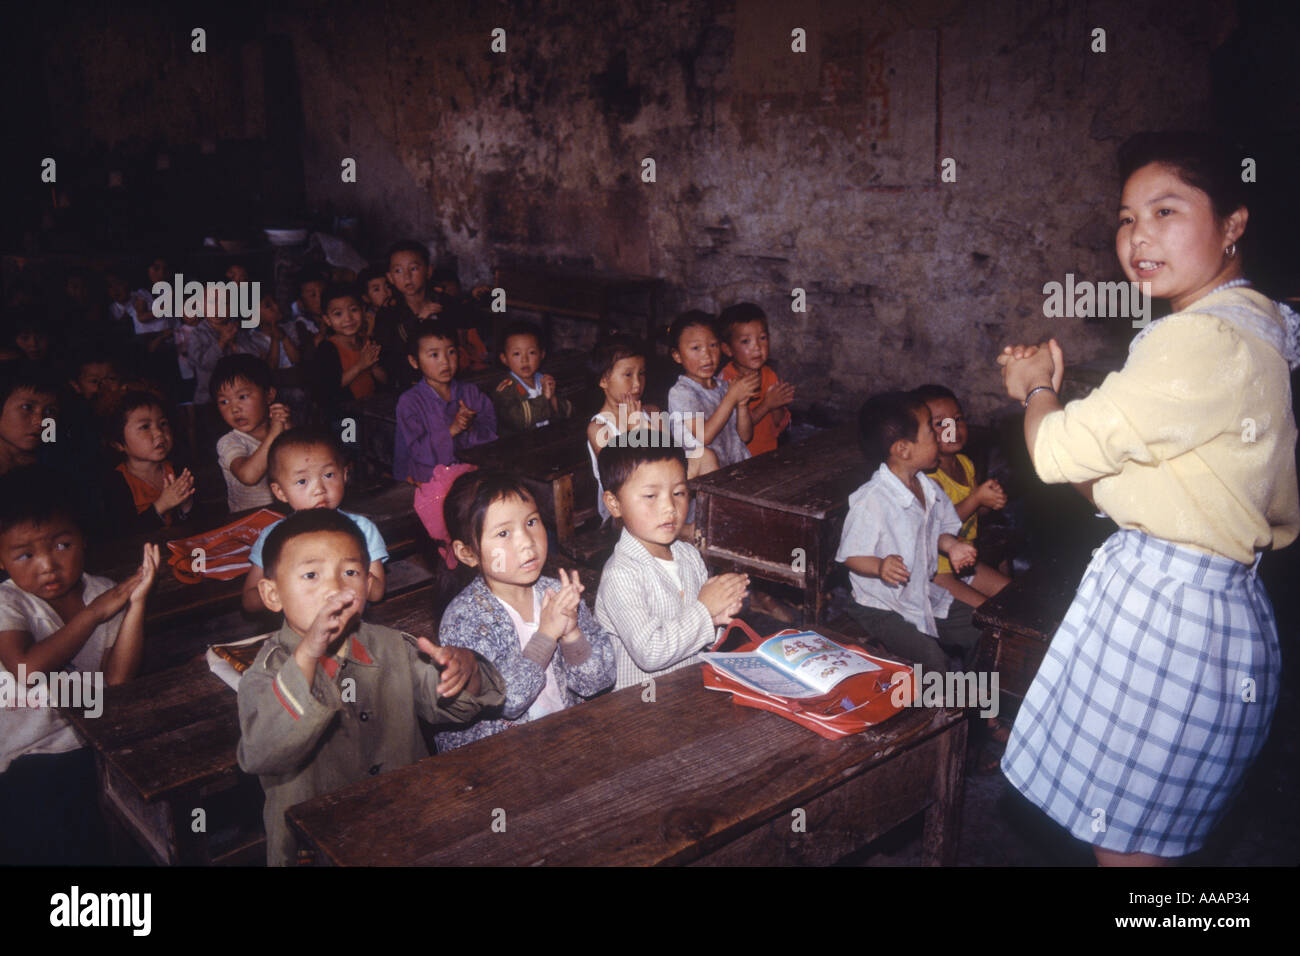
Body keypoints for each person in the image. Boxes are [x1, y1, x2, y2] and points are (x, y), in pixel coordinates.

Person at [997, 131, 1300, 866]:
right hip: (1195, 601)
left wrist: (1036, 388)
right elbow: (1124, 479)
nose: (1139, 237)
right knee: (1132, 847)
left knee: (1132, 862)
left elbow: (1056, 454)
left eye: (1167, 211)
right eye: (1128, 218)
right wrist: (1072, 422)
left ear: (1233, 223)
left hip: (1177, 615)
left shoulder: (1197, 340)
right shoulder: (1254, 323)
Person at [236, 508, 505, 866]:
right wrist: (310, 653)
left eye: (350, 572)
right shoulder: (266, 673)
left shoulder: (392, 646)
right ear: (272, 594)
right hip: (314, 851)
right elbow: (262, 752)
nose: (335, 588)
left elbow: (452, 705)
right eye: (311, 574)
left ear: (367, 584)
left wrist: (464, 669)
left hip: (409, 831)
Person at [0, 467, 160, 864]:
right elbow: (24, 670)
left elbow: (117, 684)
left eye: (62, 545)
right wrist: (93, 615)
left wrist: (135, 604)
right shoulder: (9, 604)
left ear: (83, 538)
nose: (47, 566)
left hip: (92, 741)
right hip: (27, 755)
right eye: (25, 555)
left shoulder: (102, 590)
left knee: (134, 820)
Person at [435, 470, 615, 750]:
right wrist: (546, 634)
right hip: (499, 757)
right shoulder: (465, 618)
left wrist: (571, 634)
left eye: (531, 522)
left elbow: (598, 682)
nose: (526, 541)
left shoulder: (556, 593)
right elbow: (507, 700)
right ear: (468, 553)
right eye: (503, 533)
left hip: (566, 737)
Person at [834, 391, 983, 676]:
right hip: (881, 606)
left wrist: (951, 546)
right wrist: (879, 566)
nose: (939, 438)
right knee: (934, 665)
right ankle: (934, 717)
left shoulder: (927, 488)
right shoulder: (872, 500)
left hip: (921, 592)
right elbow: (850, 555)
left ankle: (977, 713)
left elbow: (936, 530)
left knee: (982, 631)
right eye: (931, 431)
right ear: (903, 449)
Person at [594, 435, 748, 690]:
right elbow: (650, 653)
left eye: (679, 492)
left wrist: (718, 618)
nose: (670, 507)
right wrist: (705, 610)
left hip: (689, 690)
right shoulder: (621, 574)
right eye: (651, 496)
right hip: (639, 707)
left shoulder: (688, 555)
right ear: (614, 503)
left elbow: (700, 636)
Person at [240, 427, 389, 612]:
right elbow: (249, 601)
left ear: (344, 475)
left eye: (328, 475)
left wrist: (351, 572)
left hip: (352, 622)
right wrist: (284, 590)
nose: (319, 489)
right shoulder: (274, 536)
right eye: (302, 481)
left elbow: (376, 593)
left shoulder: (362, 529)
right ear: (280, 492)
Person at [585, 335, 717, 524]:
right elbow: (626, 478)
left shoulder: (652, 411)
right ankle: (686, 531)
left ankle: (710, 521)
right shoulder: (599, 427)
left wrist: (646, 427)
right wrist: (636, 434)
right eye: (628, 375)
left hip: (663, 488)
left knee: (705, 457)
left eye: (642, 373)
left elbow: (673, 458)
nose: (637, 384)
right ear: (604, 381)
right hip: (627, 508)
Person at [914, 384, 1010, 607]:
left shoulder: (965, 464)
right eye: (940, 423)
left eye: (957, 419)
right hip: (938, 571)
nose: (952, 428)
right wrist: (976, 498)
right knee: (988, 612)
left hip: (965, 562)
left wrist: (990, 501)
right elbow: (938, 526)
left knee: (1013, 598)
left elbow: (978, 512)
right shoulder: (927, 477)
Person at [394, 319, 496, 485]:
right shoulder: (410, 402)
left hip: (472, 477)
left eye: (451, 352)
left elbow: (490, 434)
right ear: (414, 361)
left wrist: (470, 426)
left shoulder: (470, 393)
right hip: (428, 482)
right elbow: (417, 451)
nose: (445, 361)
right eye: (434, 355)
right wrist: (452, 430)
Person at [666, 310, 756, 468]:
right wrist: (732, 397)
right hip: (705, 477)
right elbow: (703, 437)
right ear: (677, 356)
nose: (707, 355)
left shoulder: (724, 387)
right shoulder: (681, 392)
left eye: (713, 345)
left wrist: (741, 404)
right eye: (695, 348)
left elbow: (745, 435)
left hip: (736, 468)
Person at [102, 389, 195, 534]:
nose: (159, 432)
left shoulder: (177, 470)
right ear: (118, 444)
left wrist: (186, 507)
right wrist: (161, 506)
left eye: (163, 423)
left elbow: (196, 524)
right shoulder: (115, 483)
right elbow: (123, 535)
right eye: (145, 427)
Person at [212, 355, 292, 512]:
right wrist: (276, 430)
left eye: (242, 397)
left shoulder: (281, 428)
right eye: (224, 402)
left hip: (287, 513)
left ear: (269, 395)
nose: (234, 409)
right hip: (249, 522)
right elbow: (248, 476)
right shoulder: (230, 441)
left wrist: (286, 424)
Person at [717, 302, 795, 456]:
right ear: (727, 349)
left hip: (768, 452)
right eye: (746, 341)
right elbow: (735, 430)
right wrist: (767, 404)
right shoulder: (726, 381)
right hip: (739, 458)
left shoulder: (769, 374)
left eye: (763, 338)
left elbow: (778, 423)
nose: (757, 347)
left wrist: (778, 403)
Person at [311, 282, 387, 424]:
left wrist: (373, 366)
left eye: (353, 310)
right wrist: (360, 365)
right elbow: (328, 389)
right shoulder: (327, 348)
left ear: (363, 311)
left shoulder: (368, 342)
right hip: (344, 418)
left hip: (372, 412)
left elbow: (385, 381)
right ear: (327, 320)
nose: (348, 318)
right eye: (338, 314)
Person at [490, 321, 573, 433]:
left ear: (542, 354)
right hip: (520, 446)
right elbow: (517, 420)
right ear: (504, 359)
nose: (524, 360)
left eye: (532, 352)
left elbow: (567, 412)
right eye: (516, 354)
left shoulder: (543, 380)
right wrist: (544, 398)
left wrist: (552, 398)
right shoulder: (506, 388)